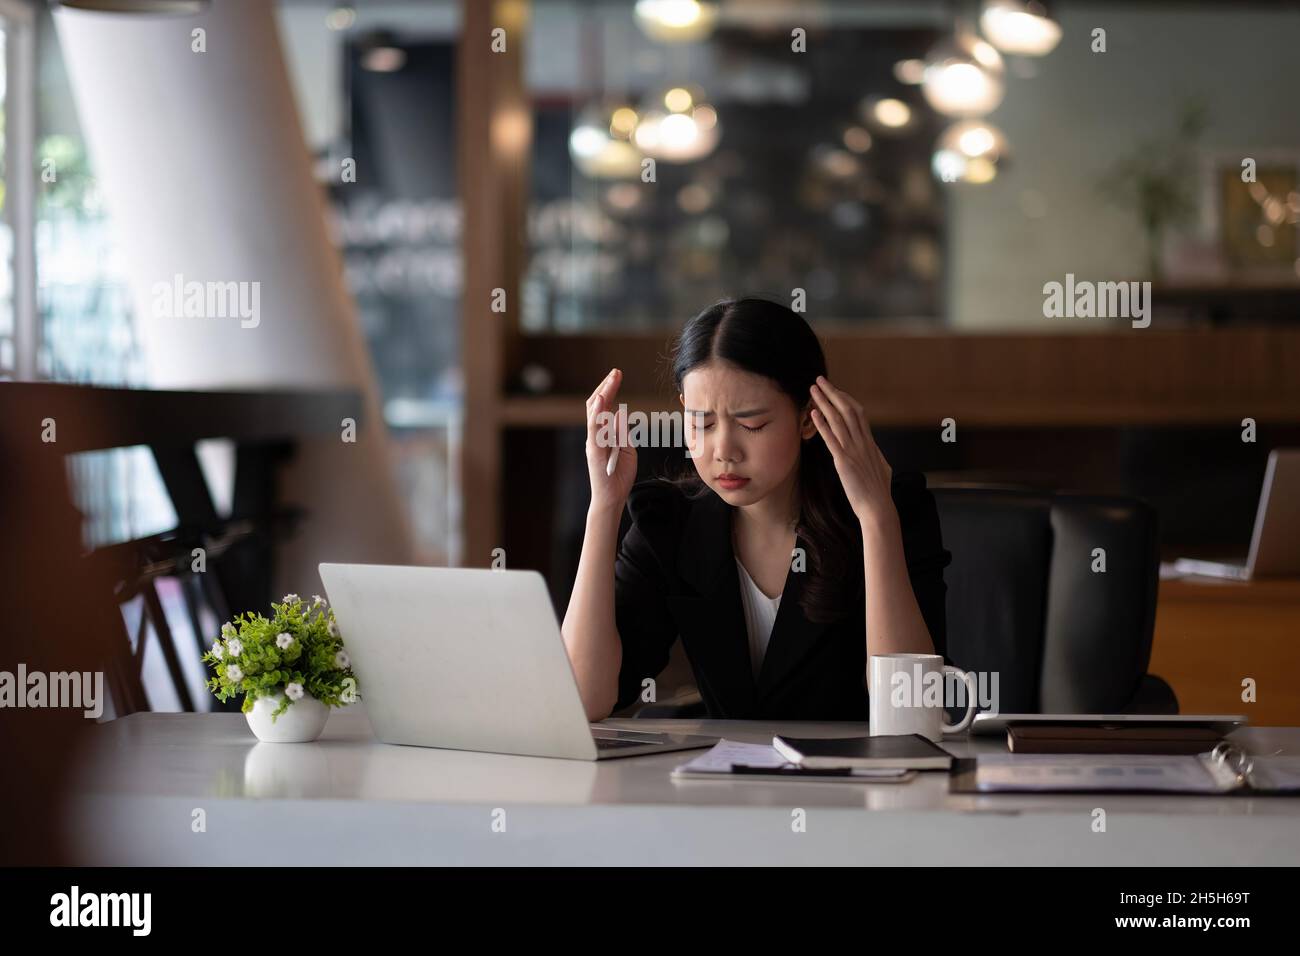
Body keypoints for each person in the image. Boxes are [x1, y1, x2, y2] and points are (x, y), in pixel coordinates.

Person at [562, 297, 952, 720]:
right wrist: (603, 505)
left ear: (808, 418)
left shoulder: (891, 511)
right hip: (723, 782)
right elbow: (583, 700)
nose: (723, 451)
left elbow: (912, 709)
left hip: (855, 781)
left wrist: (876, 518)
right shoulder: (668, 522)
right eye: (701, 424)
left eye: (752, 424)